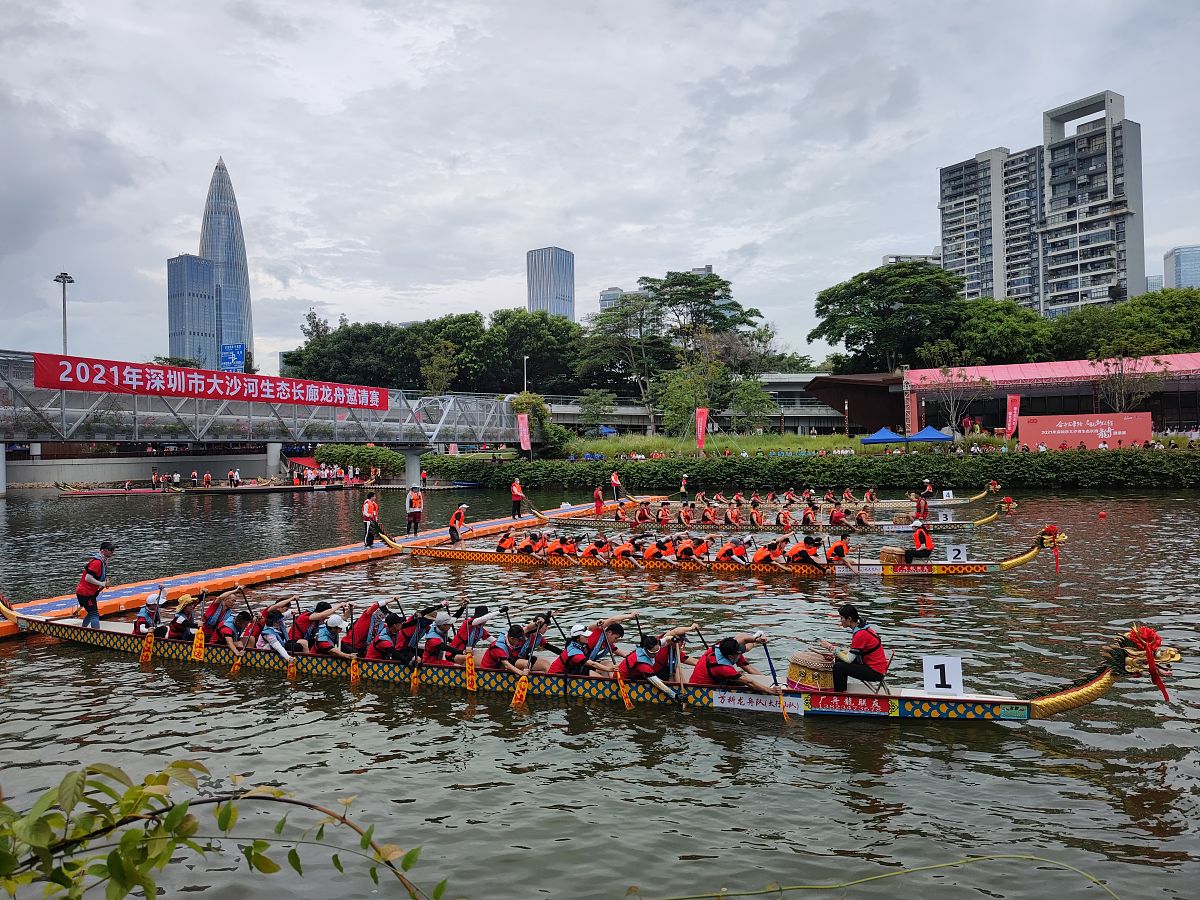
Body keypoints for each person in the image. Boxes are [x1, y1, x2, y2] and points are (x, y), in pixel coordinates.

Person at [820, 604, 887, 691]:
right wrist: (835, 654)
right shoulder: (862, 628)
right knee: (838, 659)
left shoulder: (860, 634)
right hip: (872, 665)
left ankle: (839, 696)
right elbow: (854, 652)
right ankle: (842, 690)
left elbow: (849, 659)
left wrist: (830, 647)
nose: (841, 621)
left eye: (842, 618)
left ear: (849, 619)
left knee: (838, 667)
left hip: (875, 671)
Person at [688, 635, 780, 694]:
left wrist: (757, 639)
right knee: (744, 682)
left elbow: (742, 638)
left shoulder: (725, 645)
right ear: (731, 656)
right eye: (738, 653)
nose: (740, 655)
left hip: (715, 677)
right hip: (699, 688)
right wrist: (770, 691)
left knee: (746, 679)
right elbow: (748, 682)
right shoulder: (722, 667)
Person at [75, 540, 116, 629]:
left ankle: (83, 629)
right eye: (110, 549)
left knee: (91, 613)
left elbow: (97, 576)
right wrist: (101, 583)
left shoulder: (102, 561)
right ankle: (96, 634)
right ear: (103, 550)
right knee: (94, 614)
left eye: (113, 550)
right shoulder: (97, 562)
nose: (112, 552)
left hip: (89, 593)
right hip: (85, 593)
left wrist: (103, 584)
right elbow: (88, 578)